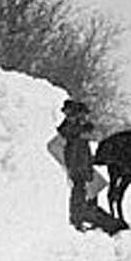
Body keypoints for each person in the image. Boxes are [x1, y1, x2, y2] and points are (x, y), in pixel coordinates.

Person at [57, 98, 95, 230]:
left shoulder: (77, 127)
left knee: (81, 192)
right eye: (82, 114)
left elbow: (85, 150)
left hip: (81, 164)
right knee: (78, 193)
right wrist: (82, 129)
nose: (83, 116)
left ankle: (80, 218)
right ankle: (76, 220)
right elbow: (69, 137)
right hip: (76, 165)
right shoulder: (69, 126)